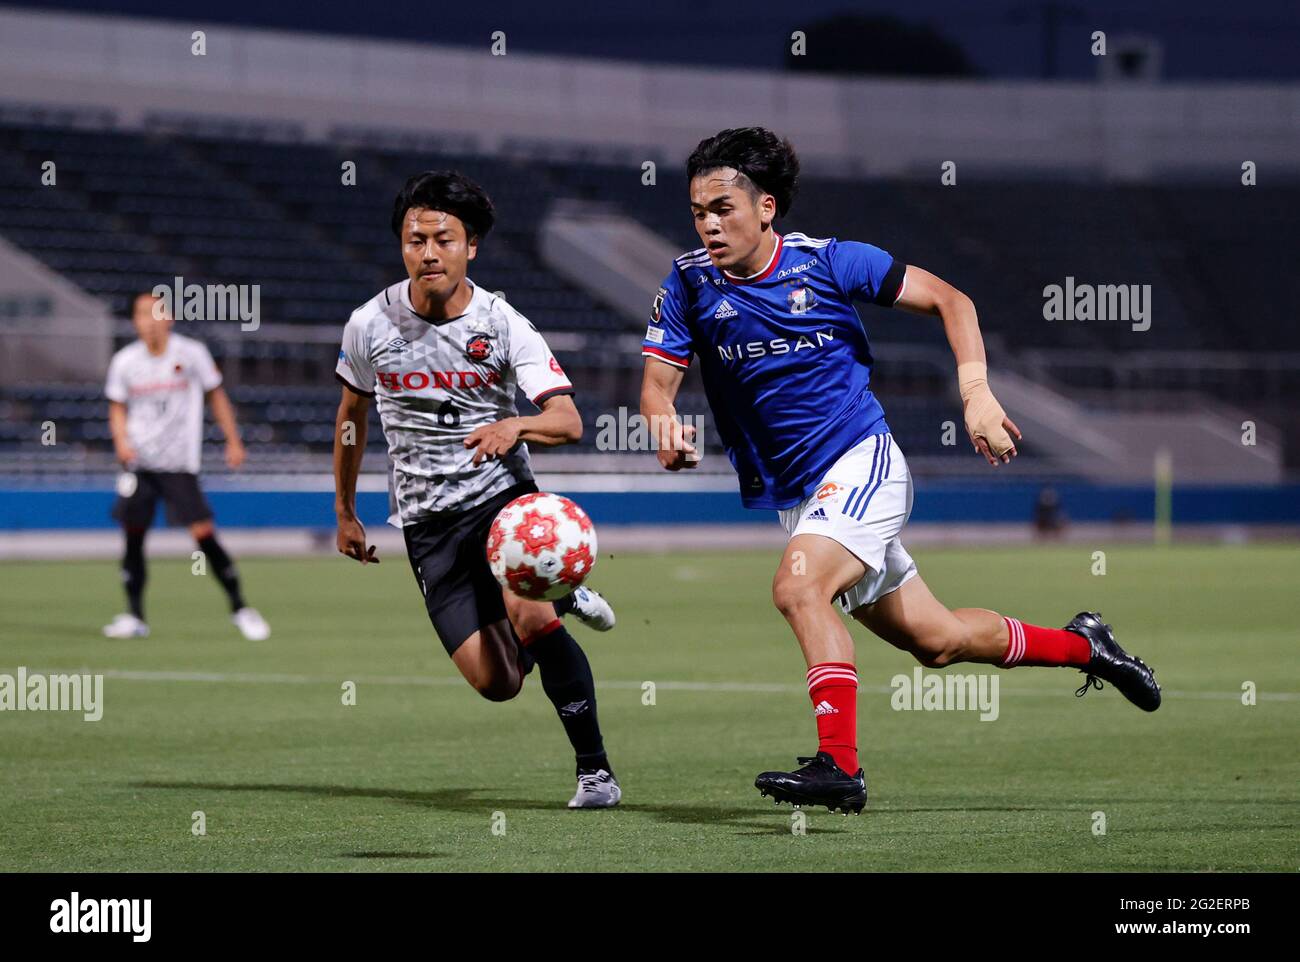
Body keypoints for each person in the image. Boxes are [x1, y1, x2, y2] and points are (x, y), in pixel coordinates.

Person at [639, 127, 1160, 814]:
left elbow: (954, 301)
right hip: (803, 497)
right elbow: (655, 387)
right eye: (698, 211)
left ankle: (840, 768)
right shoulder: (688, 282)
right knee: (937, 642)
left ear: (767, 207)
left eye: (723, 209)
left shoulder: (832, 264)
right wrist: (662, 425)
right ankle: (1086, 646)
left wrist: (976, 394)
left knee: (798, 589)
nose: (708, 224)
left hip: (862, 460)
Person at [333, 170, 620, 808]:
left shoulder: (503, 322)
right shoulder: (368, 324)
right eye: (414, 240)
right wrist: (346, 511)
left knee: (529, 614)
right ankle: (563, 597)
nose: (428, 252)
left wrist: (514, 424)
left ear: (472, 247)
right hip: (426, 523)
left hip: (502, 501)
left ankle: (595, 774)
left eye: (442, 238)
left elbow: (568, 420)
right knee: (497, 683)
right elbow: (351, 417)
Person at [103, 293, 269, 641]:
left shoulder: (191, 354)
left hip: (179, 464)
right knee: (133, 538)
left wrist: (233, 440)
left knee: (203, 534)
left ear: (170, 317)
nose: (147, 320)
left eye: (154, 313)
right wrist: (121, 441)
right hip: (140, 465)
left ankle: (241, 608)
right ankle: (135, 616)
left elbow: (216, 395)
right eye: (140, 314)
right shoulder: (124, 362)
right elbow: (117, 407)